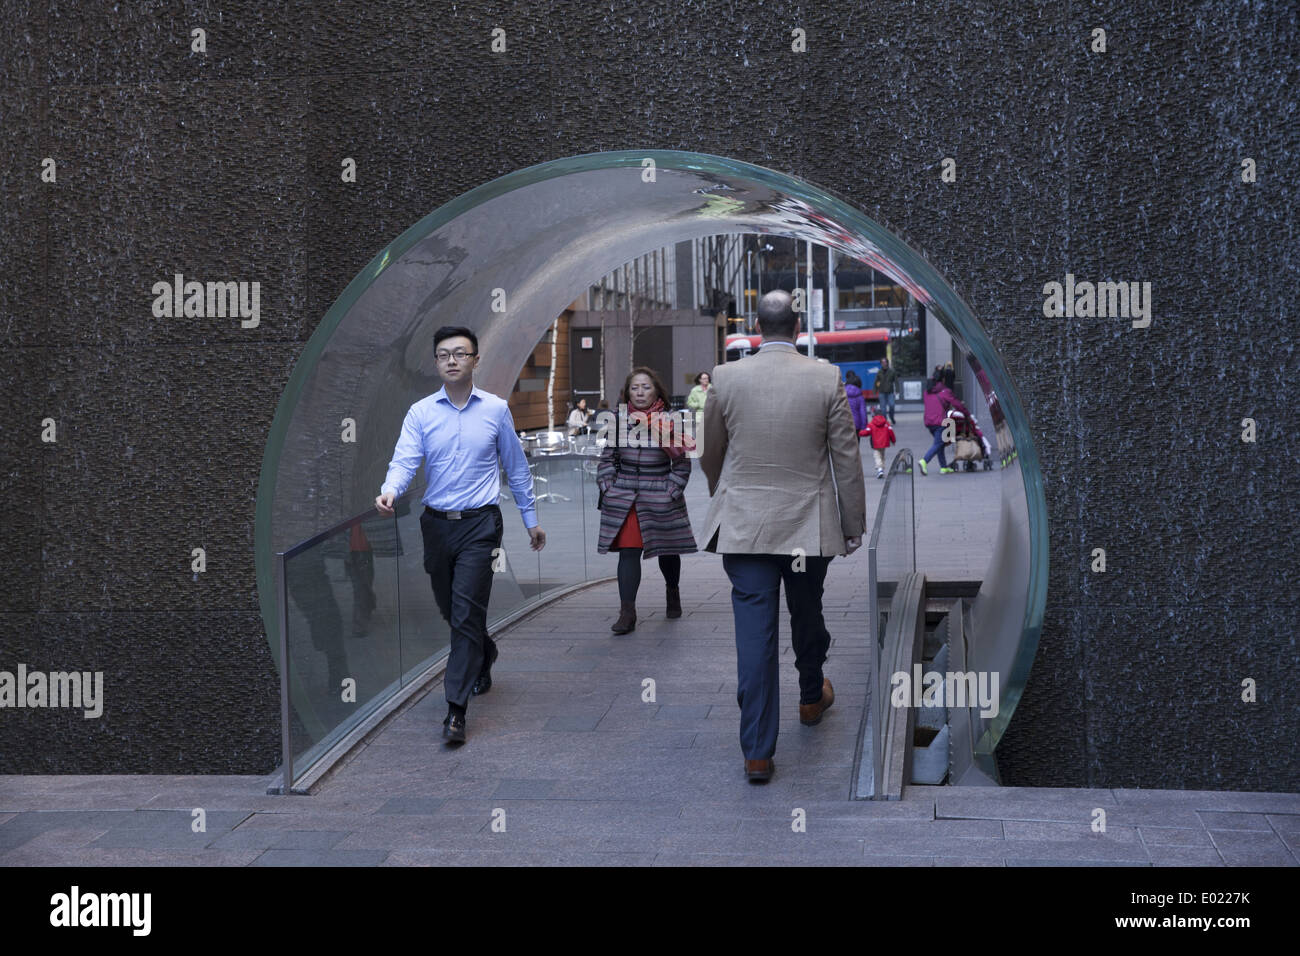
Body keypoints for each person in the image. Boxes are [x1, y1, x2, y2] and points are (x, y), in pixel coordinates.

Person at [698, 290, 867, 782]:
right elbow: (846, 458)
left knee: (754, 636)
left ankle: (757, 752)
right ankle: (811, 696)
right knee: (807, 613)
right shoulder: (825, 377)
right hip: (806, 529)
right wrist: (852, 525)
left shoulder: (726, 378)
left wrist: (724, 493)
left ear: (756, 326)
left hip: (744, 526)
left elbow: (709, 451)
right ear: (796, 328)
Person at [375, 326, 546, 745]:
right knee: (452, 610)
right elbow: (405, 459)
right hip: (436, 525)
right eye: (443, 355)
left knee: (466, 611)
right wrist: (391, 489)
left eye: (460, 353)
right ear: (436, 363)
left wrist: (531, 518)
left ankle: (455, 710)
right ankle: (483, 654)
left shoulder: (495, 410)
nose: (451, 360)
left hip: (481, 526)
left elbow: (516, 468)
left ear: (475, 360)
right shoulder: (420, 413)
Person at [597, 367, 696, 633]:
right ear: (627, 392)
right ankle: (627, 612)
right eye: (634, 388)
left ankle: (672, 591)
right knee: (628, 552)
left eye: (646, 387)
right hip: (625, 495)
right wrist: (608, 487)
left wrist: (671, 492)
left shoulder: (671, 421)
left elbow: (682, 464)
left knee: (668, 549)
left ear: (656, 390)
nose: (640, 393)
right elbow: (606, 459)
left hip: (661, 492)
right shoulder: (616, 421)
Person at [920, 374, 971, 476]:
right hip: (940, 422)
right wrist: (966, 414)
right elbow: (957, 404)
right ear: (942, 380)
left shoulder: (926, 393)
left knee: (940, 444)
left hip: (929, 423)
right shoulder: (945, 392)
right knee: (939, 444)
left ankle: (943, 467)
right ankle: (924, 461)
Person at [865, 404, 897, 479]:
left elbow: (867, 431)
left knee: (877, 456)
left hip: (875, 443)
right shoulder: (886, 423)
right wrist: (893, 441)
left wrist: (859, 433)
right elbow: (891, 432)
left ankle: (879, 469)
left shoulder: (872, 423)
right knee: (882, 455)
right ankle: (882, 469)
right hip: (884, 443)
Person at [843, 370, 868, 444]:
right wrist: (864, 426)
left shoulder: (842, 393)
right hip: (857, 424)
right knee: (856, 443)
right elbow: (862, 412)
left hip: (844, 422)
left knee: (846, 444)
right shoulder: (860, 396)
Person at [874, 358, 897, 424]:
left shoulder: (892, 371)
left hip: (890, 392)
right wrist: (875, 389)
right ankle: (885, 421)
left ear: (887, 363)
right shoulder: (879, 372)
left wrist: (897, 390)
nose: (883, 363)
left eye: (885, 362)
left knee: (892, 405)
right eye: (882, 362)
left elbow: (896, 381)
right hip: (882, 392)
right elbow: (877, 381)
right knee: (883, 409)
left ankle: (891, 416)